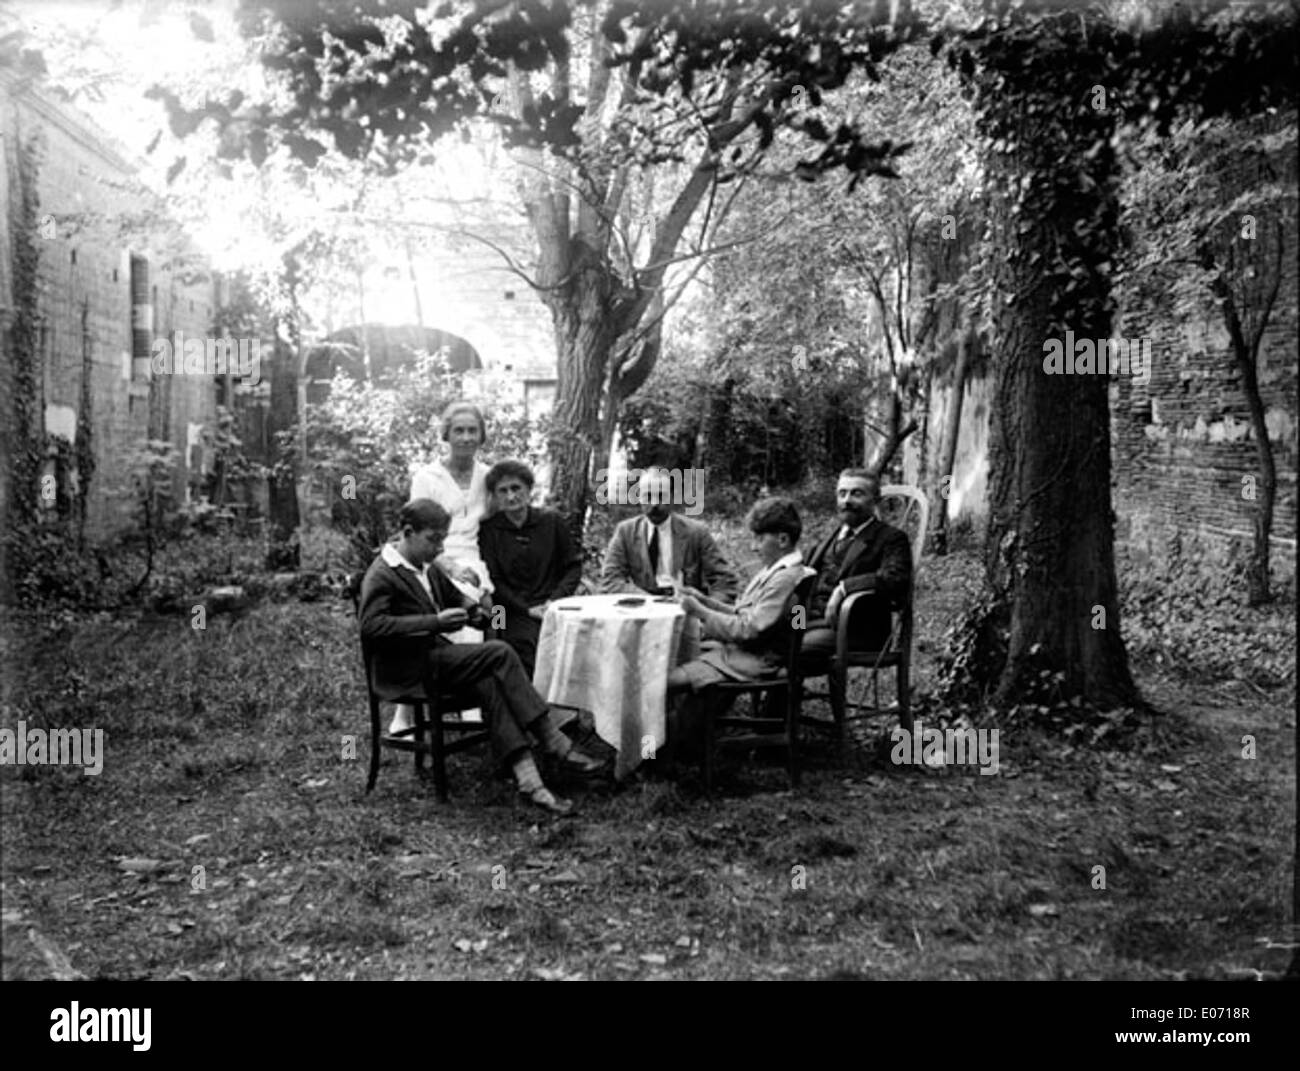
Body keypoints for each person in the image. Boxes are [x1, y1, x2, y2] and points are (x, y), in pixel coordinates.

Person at [359, 499, 601, 815]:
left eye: (443, 539)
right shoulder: (383, 573)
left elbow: (453, 596)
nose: (439, 548)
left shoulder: (425, 566)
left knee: (489, 681)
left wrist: (475, 613)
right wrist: (434, 622)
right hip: (404, 671)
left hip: (434, 659)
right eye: (433, 539)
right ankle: (552, 739)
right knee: (499, 651)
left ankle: (531, 782)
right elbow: (371, 627)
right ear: (407, 532)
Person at [391, 400, 494, 736]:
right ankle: (407, 710)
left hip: (473, 558)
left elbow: (493, 524)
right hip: (432, 556)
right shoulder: (428, 477)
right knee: (460, 596)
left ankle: (468, 700)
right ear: (446, 435)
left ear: (481, 435)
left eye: (472, 430)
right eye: (458, 430)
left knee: (476, 596)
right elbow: (415, 530)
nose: (465, 437)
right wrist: (446, 566)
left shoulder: (487, 476)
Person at [668, 497, 812, 691]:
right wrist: (705, 601)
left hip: (754, 661)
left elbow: (748, 630)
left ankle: (686, 718)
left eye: (759, 539)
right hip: (747, 653)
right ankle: (690, 717)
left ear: (783, 540)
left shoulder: (785, 579)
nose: (753, 547)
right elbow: (744, 614)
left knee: (665, 680)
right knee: (677, 655)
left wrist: (701, 612)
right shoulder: (781, 570)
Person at [479, 459, 582, 677]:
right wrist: (526, 609)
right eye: (502, 491)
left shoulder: (552, 521)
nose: (510, 496)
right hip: (507, 608)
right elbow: (493, 580)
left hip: (554, 604)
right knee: (512, 639)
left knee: (574, 637)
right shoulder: (489, 530)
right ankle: (527, 702)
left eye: (516, 488)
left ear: (529, 489)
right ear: (495, 496)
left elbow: (573, 568)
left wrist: (554, 601)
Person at [798, 469, 912, 665]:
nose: (847, 501)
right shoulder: (829, 539)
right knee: (767, 638)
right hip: (809, 623)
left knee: (792, 647)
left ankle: (786, 693)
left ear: (875, 500)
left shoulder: (891, 538)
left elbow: (895, 579)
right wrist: (795, 622)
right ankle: (785, 693)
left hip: (855, 629)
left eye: (856, 493)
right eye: (842, 493)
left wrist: (845, 588)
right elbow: (799, 581)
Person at [598, 466, 740, 600]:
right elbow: (611, 580)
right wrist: (648, 601)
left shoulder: (696, 532)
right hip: (642, 610)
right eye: (648, 496)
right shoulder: (625, 532)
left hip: (686, 610)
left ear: (672, 497)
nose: (654, 503)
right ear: (639, 497)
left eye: (661, 496)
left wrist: (708, 610)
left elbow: (725, 579)